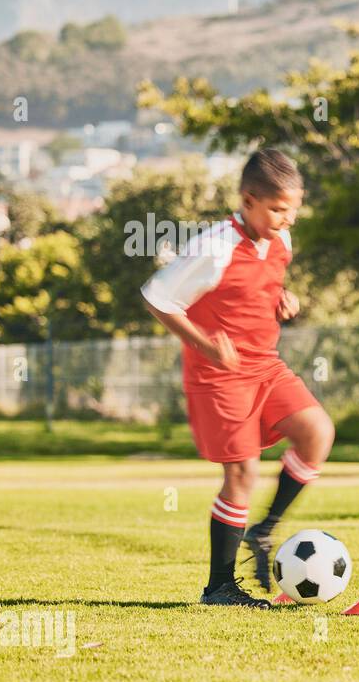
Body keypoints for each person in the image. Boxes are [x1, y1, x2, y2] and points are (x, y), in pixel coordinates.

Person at [142, 148, 334, 607]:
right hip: (218, 375)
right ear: (249, 201)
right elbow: (158, 297)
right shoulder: (214, 246)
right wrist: (206, 345)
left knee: (317, 433)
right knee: (243, 472)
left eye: (293, 210)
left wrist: (283, 301)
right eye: (277, 210)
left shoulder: (280, 240)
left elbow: (259, 288)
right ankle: (219, 587)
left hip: (265, 365)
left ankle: (264, 531)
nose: (287, 220)